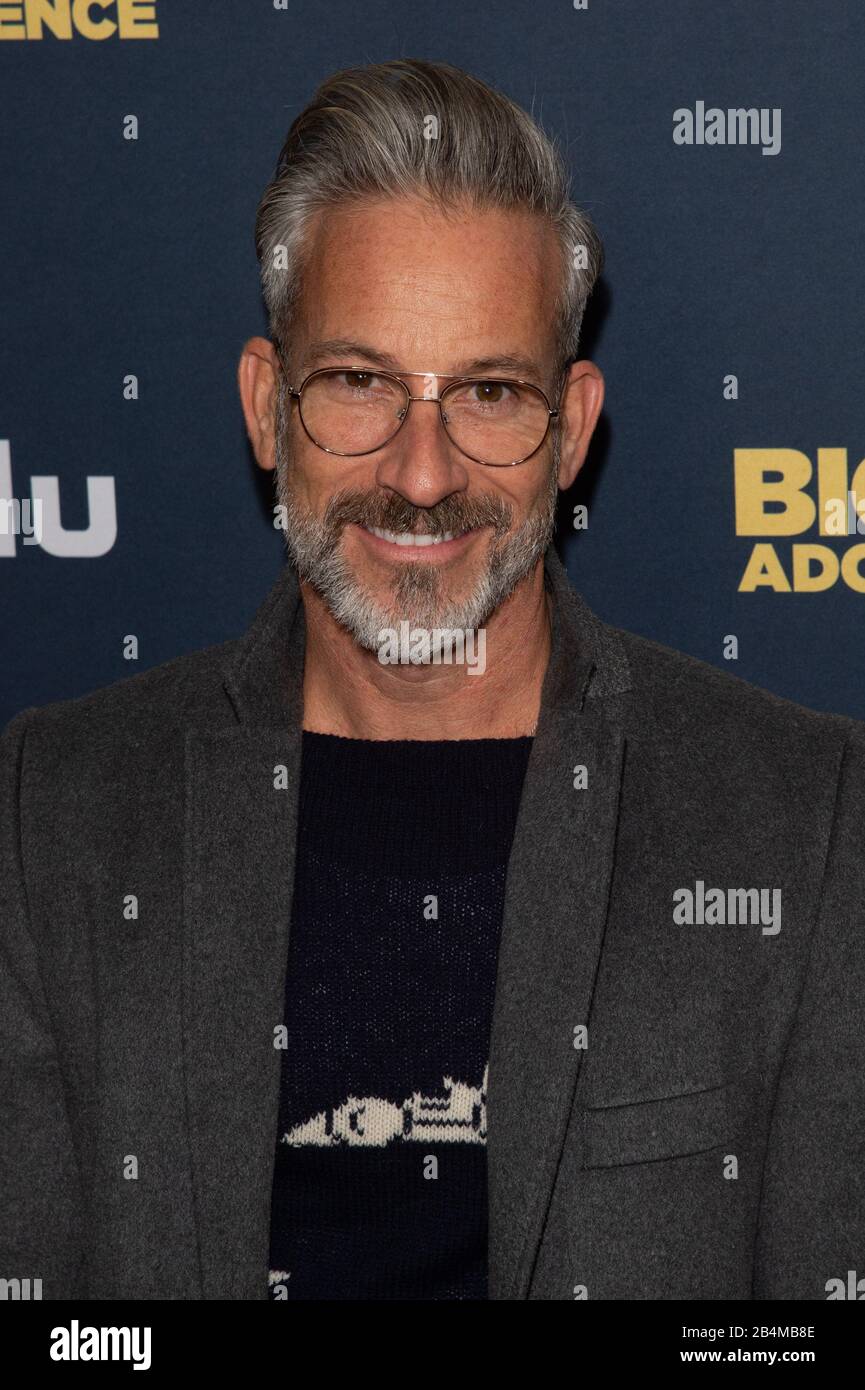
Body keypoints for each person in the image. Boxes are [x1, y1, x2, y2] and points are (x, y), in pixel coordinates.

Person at [1, 59, 862, 1302]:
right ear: (264, 408)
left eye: (488, 392)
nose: (419, 472)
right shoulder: (52, 812)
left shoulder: (805, 820)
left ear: (569, 431)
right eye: (358, 382)